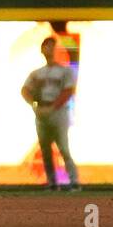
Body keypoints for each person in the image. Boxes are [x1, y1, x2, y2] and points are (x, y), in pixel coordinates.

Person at [20, 37, 80, 191]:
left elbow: (68, 91)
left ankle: (74, 181)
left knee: (63, 148)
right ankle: (52, 183)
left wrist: (53, 107)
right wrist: (35, 106)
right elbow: (25, 91)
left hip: (58, 111)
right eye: (46, 46)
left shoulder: (65, 71)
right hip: (41, 111)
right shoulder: (37, 73)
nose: (49, 49)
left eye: (51, 46)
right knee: (45, 149)